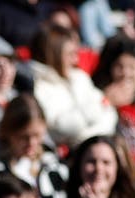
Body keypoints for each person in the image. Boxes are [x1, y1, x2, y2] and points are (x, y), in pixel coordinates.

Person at [28, 23, 117, 151]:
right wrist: (96, 109)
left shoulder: (79, 77)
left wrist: (86, 135)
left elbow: (110, 114)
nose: (76, 60)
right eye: (70, 54)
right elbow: (61, 129)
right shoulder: (38, 87)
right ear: (53, 55)